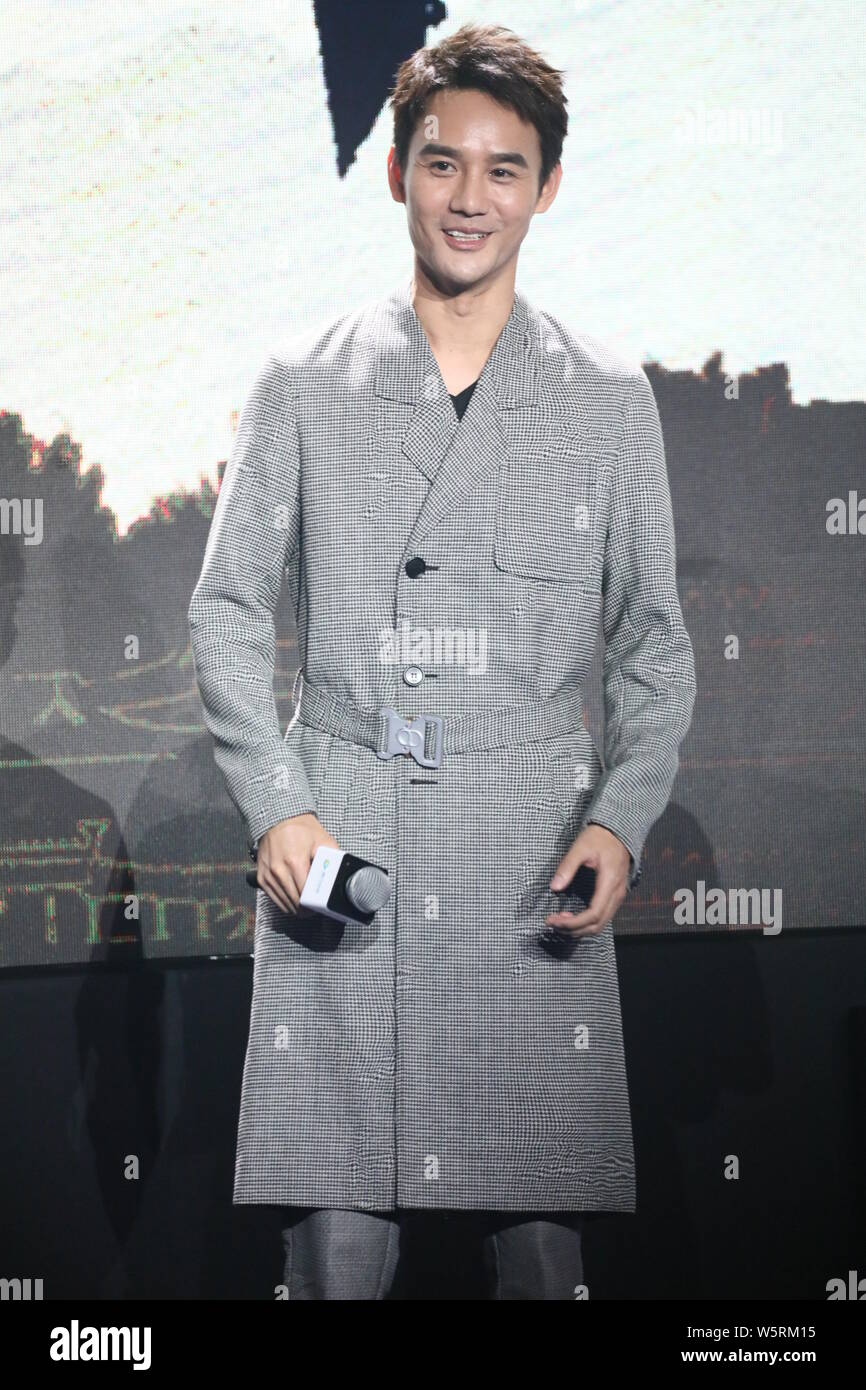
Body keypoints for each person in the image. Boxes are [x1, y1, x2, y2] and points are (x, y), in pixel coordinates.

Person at [188, 21, 696, 1299]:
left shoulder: (603, 396)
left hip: (527, 863)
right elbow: (227, 609)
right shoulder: (300, 381)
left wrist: (622, 820)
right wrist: (280, 807)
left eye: (502, 169)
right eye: (440, 163)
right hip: (341, 857)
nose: (469, 198)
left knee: (537, 1258)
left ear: (546, 186)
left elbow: (651, 641)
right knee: (334, 1260)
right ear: (397, 173)